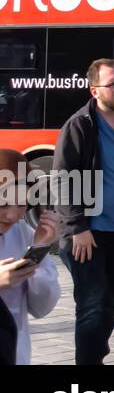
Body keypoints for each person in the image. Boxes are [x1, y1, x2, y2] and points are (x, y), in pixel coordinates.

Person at [52, 57, 114, 365]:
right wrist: (77, 227)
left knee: (113, 300)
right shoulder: (80, 125)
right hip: (89, 234)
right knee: (92, 303)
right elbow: (64, 178)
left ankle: (94, 352)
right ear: (95, 90)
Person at [0, 149, 61, 365]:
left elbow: (41, 307)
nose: (12, 215)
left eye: (22, 204)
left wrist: (40, 246)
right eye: (4, 203)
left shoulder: (22, 232)